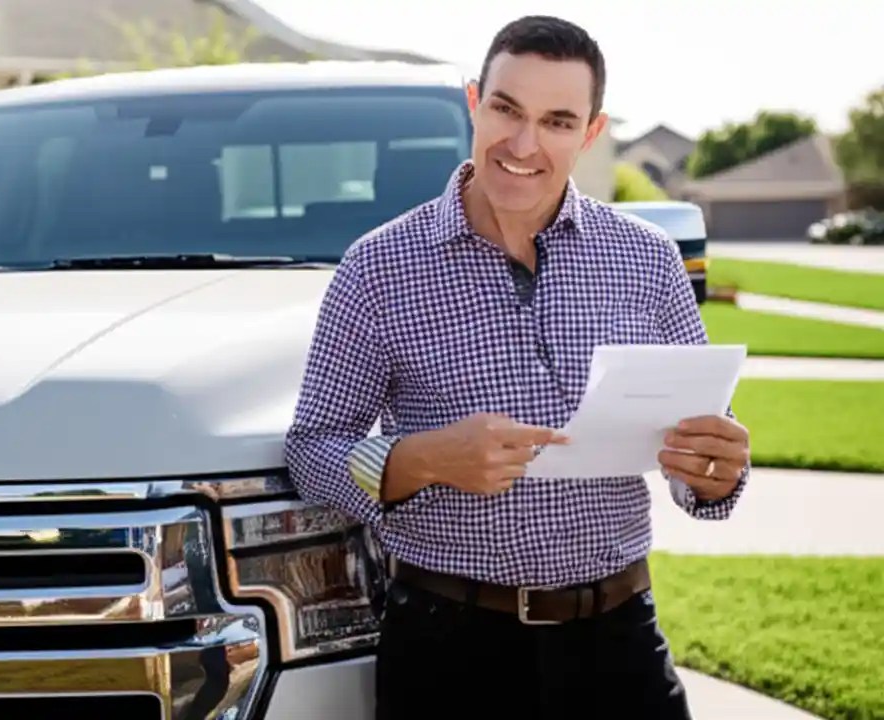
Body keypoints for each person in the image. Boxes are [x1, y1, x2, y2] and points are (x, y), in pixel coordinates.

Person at [284, 14, 751, 720]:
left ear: (590, 134)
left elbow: (702, 454)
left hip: (619, 643)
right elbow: (311, 448)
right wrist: (422, 460)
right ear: (475, 103)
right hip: (447, 652)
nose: (524, 144)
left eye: (558, 121)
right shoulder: (377, 268)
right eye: (507, 109)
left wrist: (716, 474)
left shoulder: (648, 260)